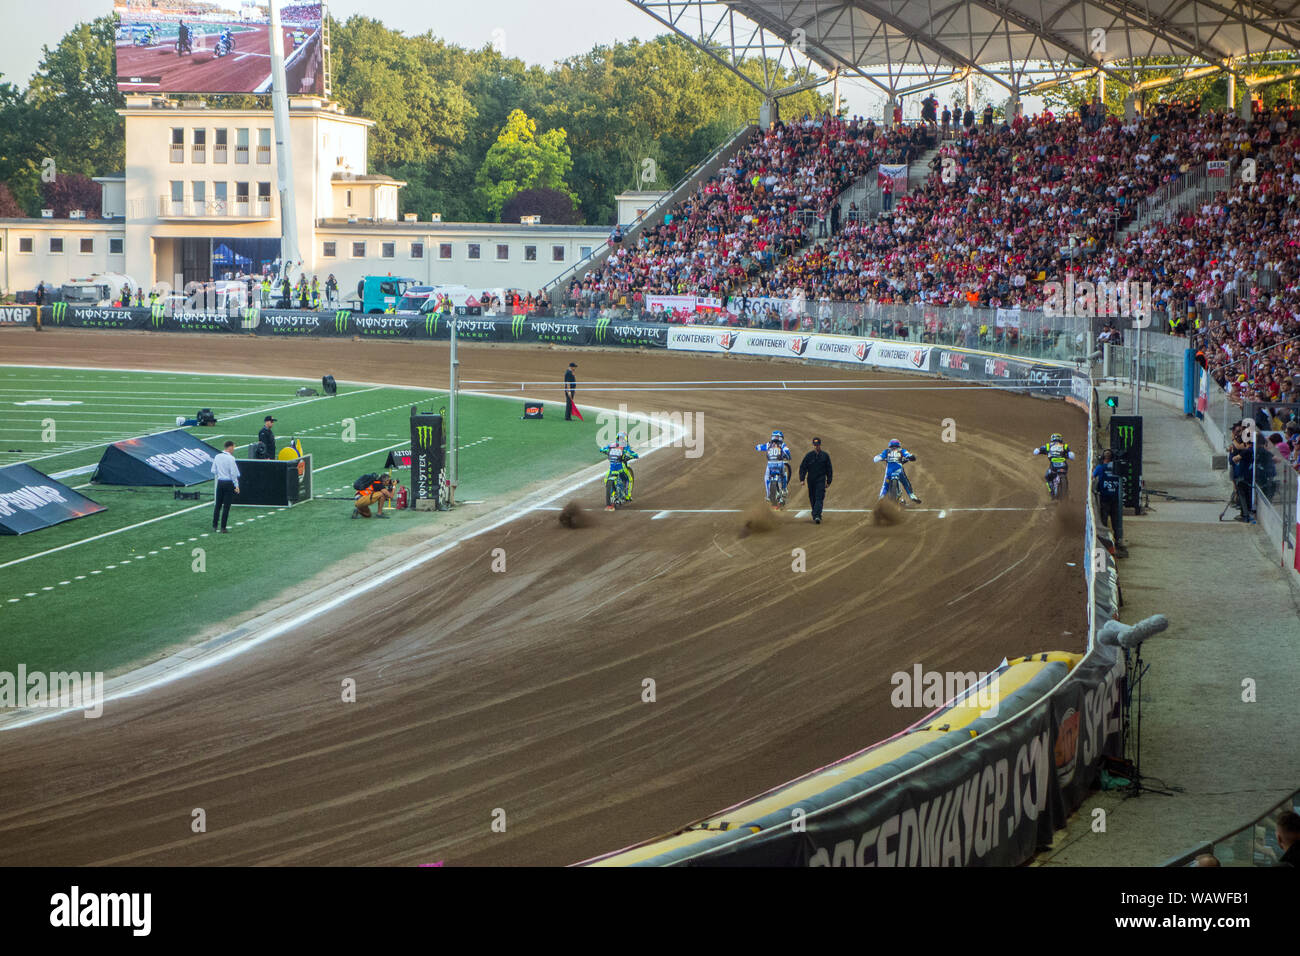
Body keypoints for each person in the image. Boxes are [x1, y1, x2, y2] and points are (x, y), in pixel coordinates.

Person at [1092, 448, 1126, 554]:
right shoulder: (1118, 469)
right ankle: (1118, 542)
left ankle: (1105, 544)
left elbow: (1092, 477)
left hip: (1105, 498)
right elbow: (1123, 480)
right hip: (1116, 499)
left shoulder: (1100, 468)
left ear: (1103, 458)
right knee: (1116, 522)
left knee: (1104, 521)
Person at [873, 438, 920, 503]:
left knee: (885, 485)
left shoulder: (886, 451)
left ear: (890, 445)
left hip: (889, 472)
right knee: (905, 482)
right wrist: (910, 457)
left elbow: (876, 458)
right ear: (899, 445)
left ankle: (881, 497)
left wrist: (879, 458)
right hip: (899, 471)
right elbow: (909, 456)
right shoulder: (902, 451)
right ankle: (912, 495)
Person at [598, 431, 637, 508]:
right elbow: (633, 454)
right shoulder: (626, 447)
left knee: (606, 479)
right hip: (621, 467)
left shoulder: (611, 445)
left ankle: (612, 493)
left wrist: (603, 451)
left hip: (612, 468)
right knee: (629, 479)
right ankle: (628, 496)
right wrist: (634, 455)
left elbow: (603, 449)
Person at [798, 437, 832, 523]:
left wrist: (828, 481)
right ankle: (815, 513)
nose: (816, 446)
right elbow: (803, 467)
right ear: (813, 445)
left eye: (818, 445)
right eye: (815, 445)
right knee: (812, 498)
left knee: (819, 497)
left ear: (820, 445)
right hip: (811, 480)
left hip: (821, 480)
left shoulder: (825, 456)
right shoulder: (809, 456)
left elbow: (829, 469)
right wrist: (802, 479)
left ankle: (817, 515)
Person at [755, 430, 792, 506]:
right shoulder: (782, 445)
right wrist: (788, 457)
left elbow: (758, 447)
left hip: (770, 465)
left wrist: (757, 447)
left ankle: (768, 495)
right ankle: (784, 490)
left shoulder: (768, 444)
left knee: (766, 478)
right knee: (783, 475)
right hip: (779, 464)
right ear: (781, 438)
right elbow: (787, 451)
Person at [210, 440, 240, 534]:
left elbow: (213, 470)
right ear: (230, 447)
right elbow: (234, 473)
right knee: (226, 506)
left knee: (218, 505)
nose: (233, 449)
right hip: (228, 483)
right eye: (233, 447)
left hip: (220, 482)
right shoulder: (231, 459)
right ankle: (223, 527)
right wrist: (236, 485)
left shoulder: (217, 456)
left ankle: (214, 525)